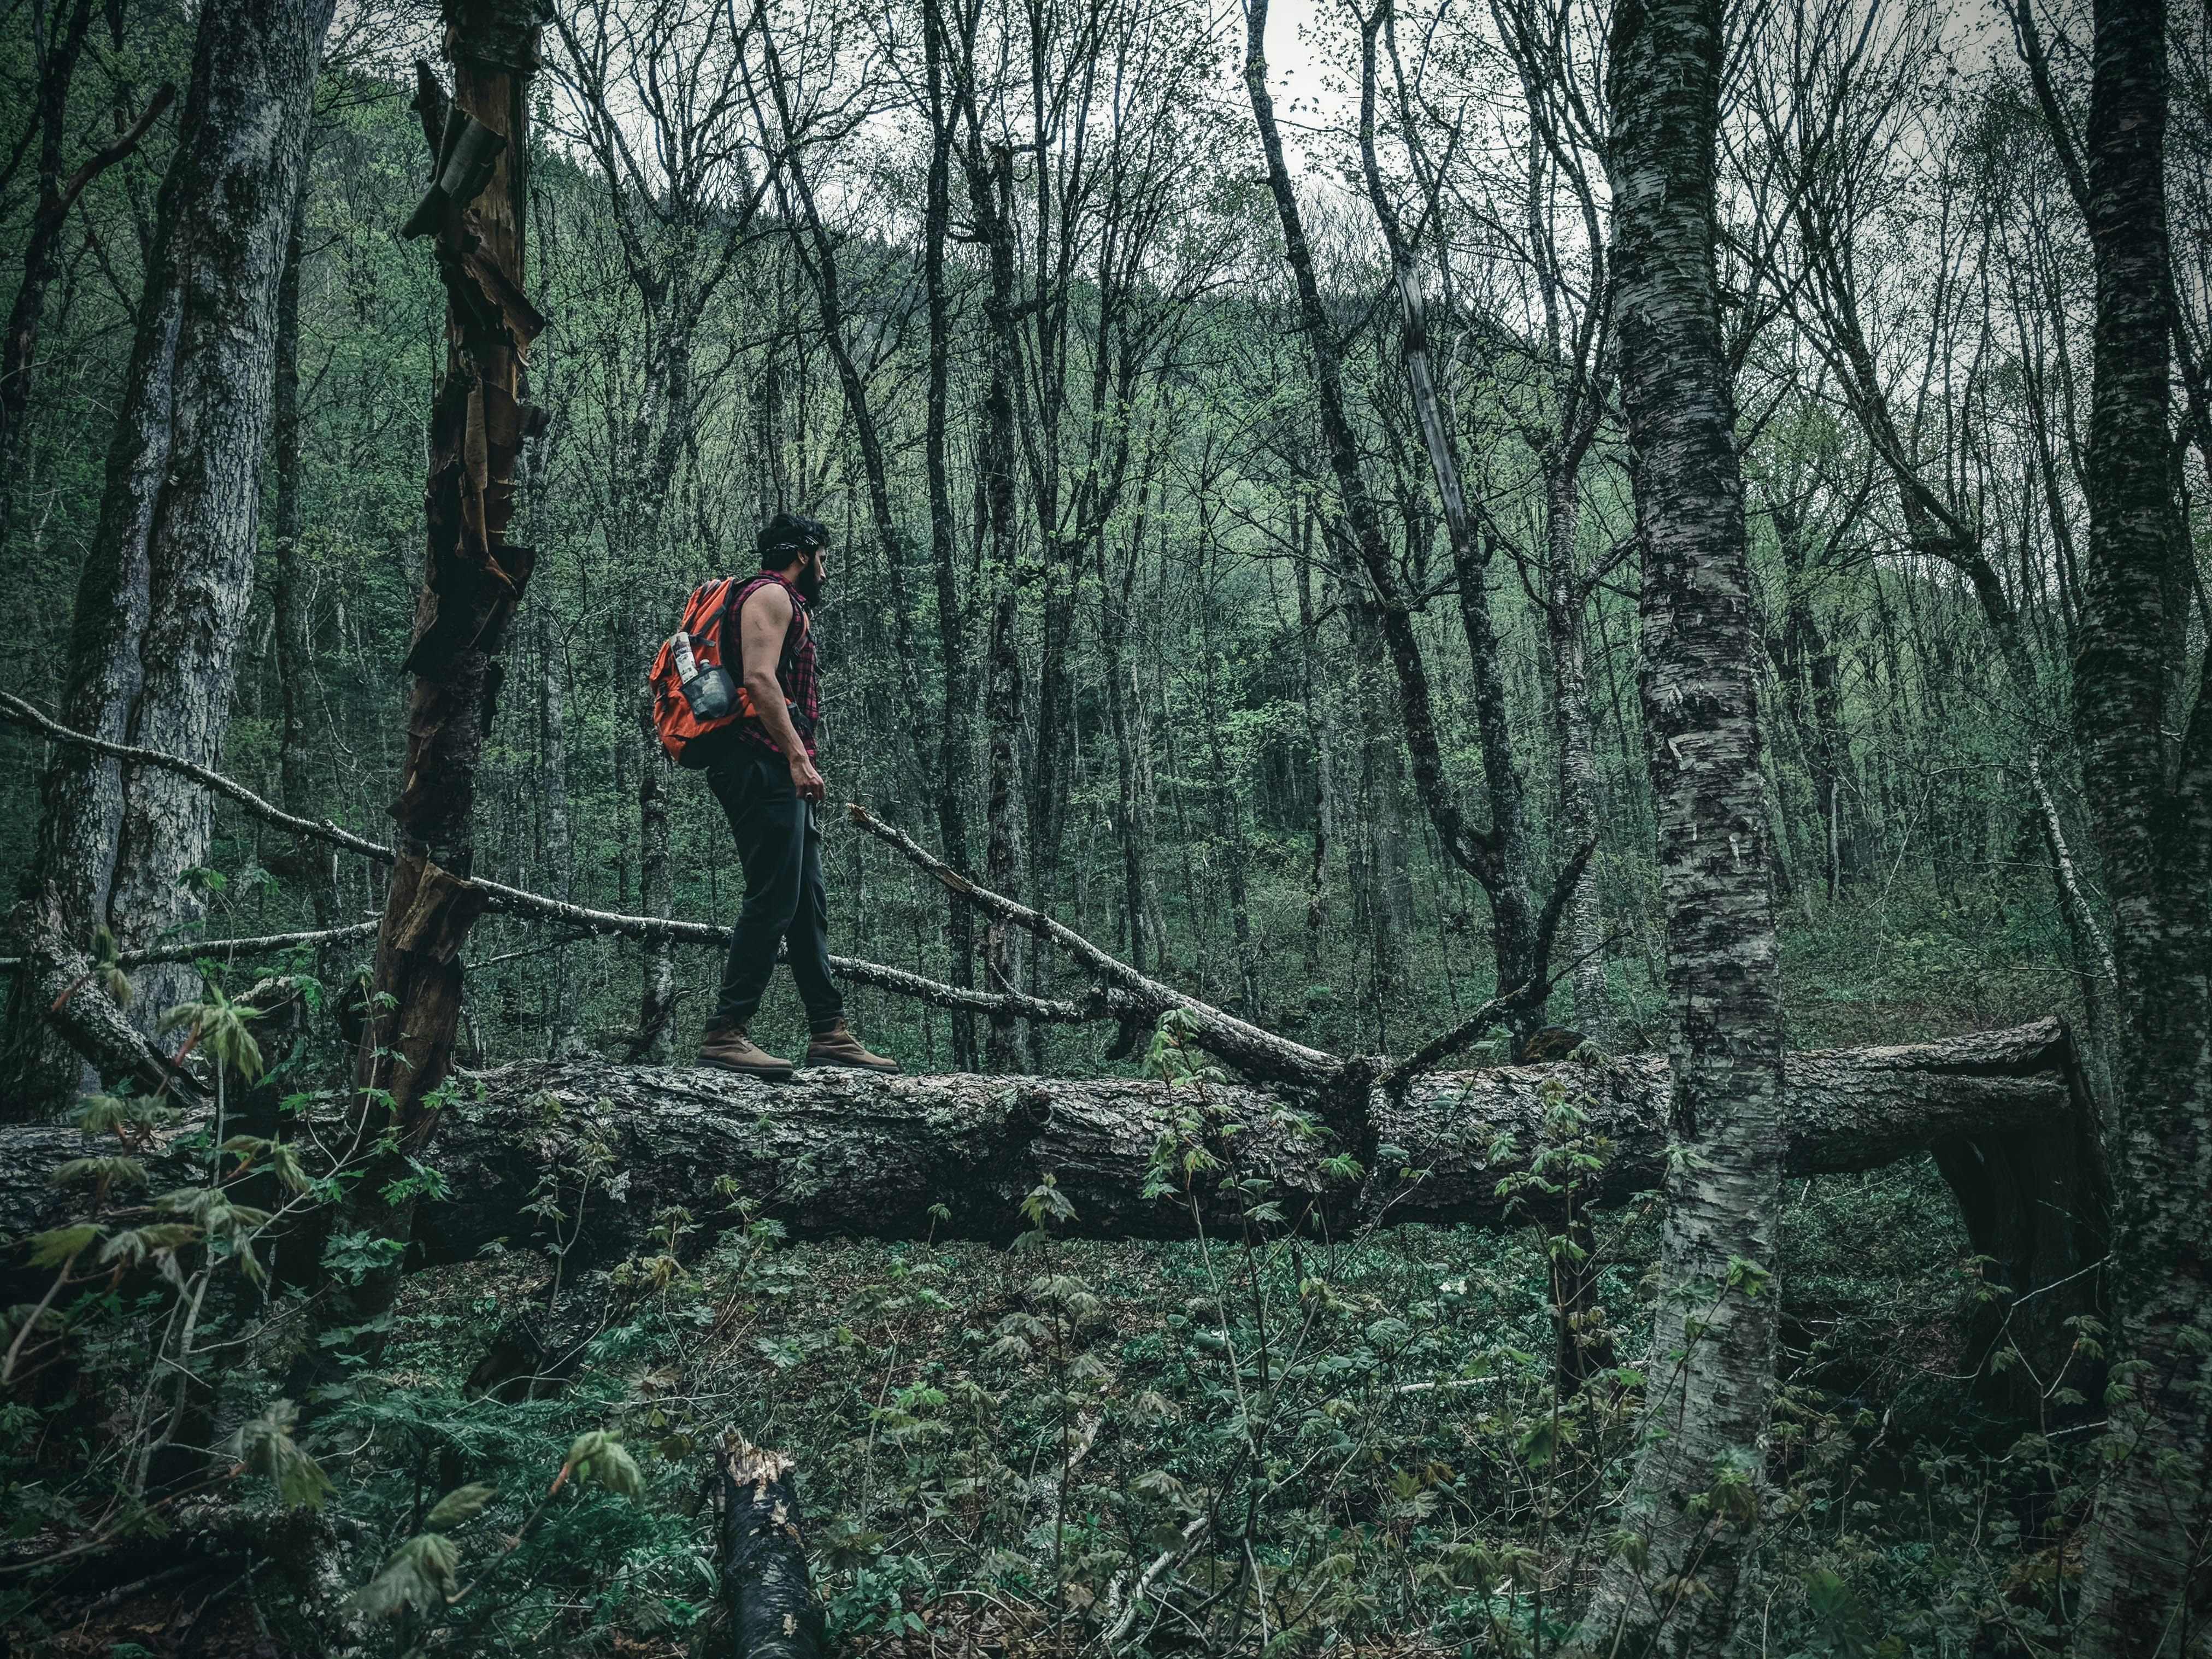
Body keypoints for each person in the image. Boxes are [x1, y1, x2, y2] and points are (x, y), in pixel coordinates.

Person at [692, 513, 899, 1078]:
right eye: (823, 559)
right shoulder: (770, 596)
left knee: (806, 903)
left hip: (773, 767)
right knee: (775, 897)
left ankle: (829, 1032)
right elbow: (760, 680)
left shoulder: (776, 600)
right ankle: (726, 1031)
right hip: (758, 764)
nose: (825, 571)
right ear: (804, 554)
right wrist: (798, 758)